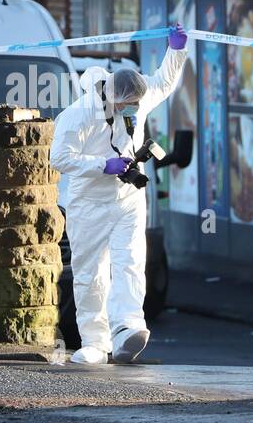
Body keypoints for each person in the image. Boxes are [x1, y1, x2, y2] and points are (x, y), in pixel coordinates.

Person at [50, 23, 189, 364]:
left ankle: (128, 328)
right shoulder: (79, 114)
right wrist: (103, 164)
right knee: (90, 272)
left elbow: (164, 83)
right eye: (128, 105)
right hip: (88, 203)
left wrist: (176, 50)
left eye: (136, 106)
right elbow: (59, 157)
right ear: (112, 97)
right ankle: (95, 342)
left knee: (130, 262)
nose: (133, 110)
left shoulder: (136, 100)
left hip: (127, 199)